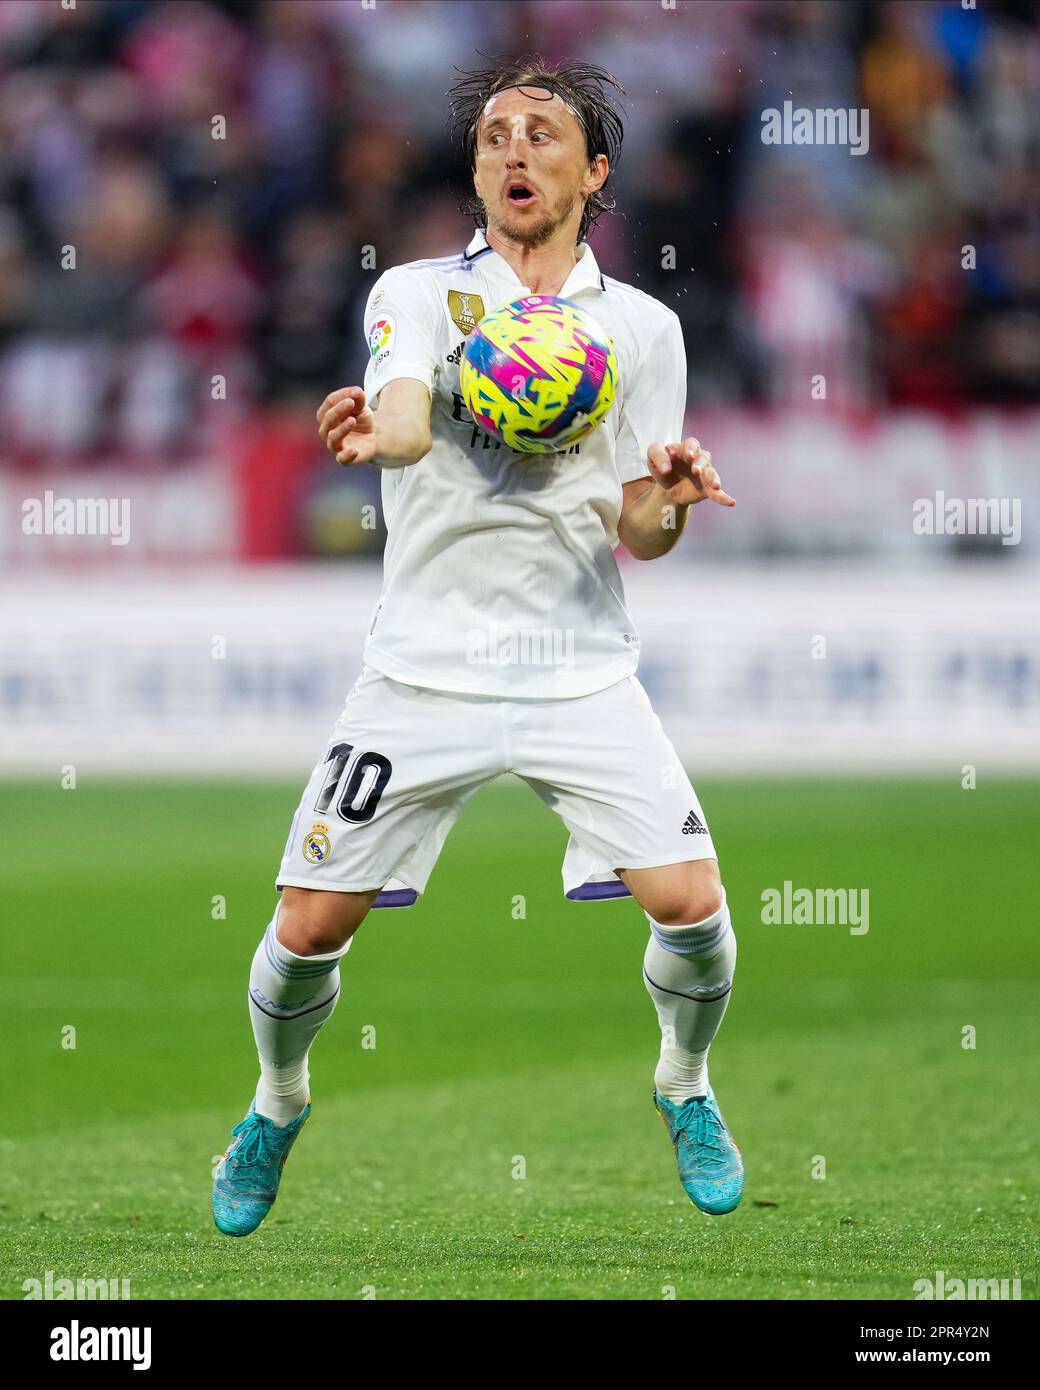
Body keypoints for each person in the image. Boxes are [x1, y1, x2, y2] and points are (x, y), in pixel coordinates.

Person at [212, 57, 743, 1238]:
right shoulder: (413, 293)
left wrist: (672, 493)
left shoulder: (640, 329)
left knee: (696, 910)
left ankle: (682, 1081)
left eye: (542, 134)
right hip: (421, 667)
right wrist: (373, 433)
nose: (513, 151)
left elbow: (640, 529)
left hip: (579, 667)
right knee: (305, 926)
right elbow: (404, 413)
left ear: (592, 172)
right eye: (495, 134)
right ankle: (276, 1099)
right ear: (474, 167)